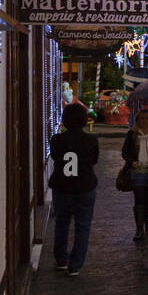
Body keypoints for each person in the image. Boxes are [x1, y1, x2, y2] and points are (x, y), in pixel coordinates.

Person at [48, 102, 100, 277]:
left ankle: (61, 259)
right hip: (85, 186)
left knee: (62, 223)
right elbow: (94, 161)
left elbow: (55, 157)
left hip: (62, 186)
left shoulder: (56, 140)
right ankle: (75, 264)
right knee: (82, 225)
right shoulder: (91, 140)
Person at [123, 107, 148, 240]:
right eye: (142, 119)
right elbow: (125, 152)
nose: (145, 121)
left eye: (147, 118)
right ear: (137, 120)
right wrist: (131, 162)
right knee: (139, 199)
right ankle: (139, 228)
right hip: (138, 170)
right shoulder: (132, 134)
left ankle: (147, 220)